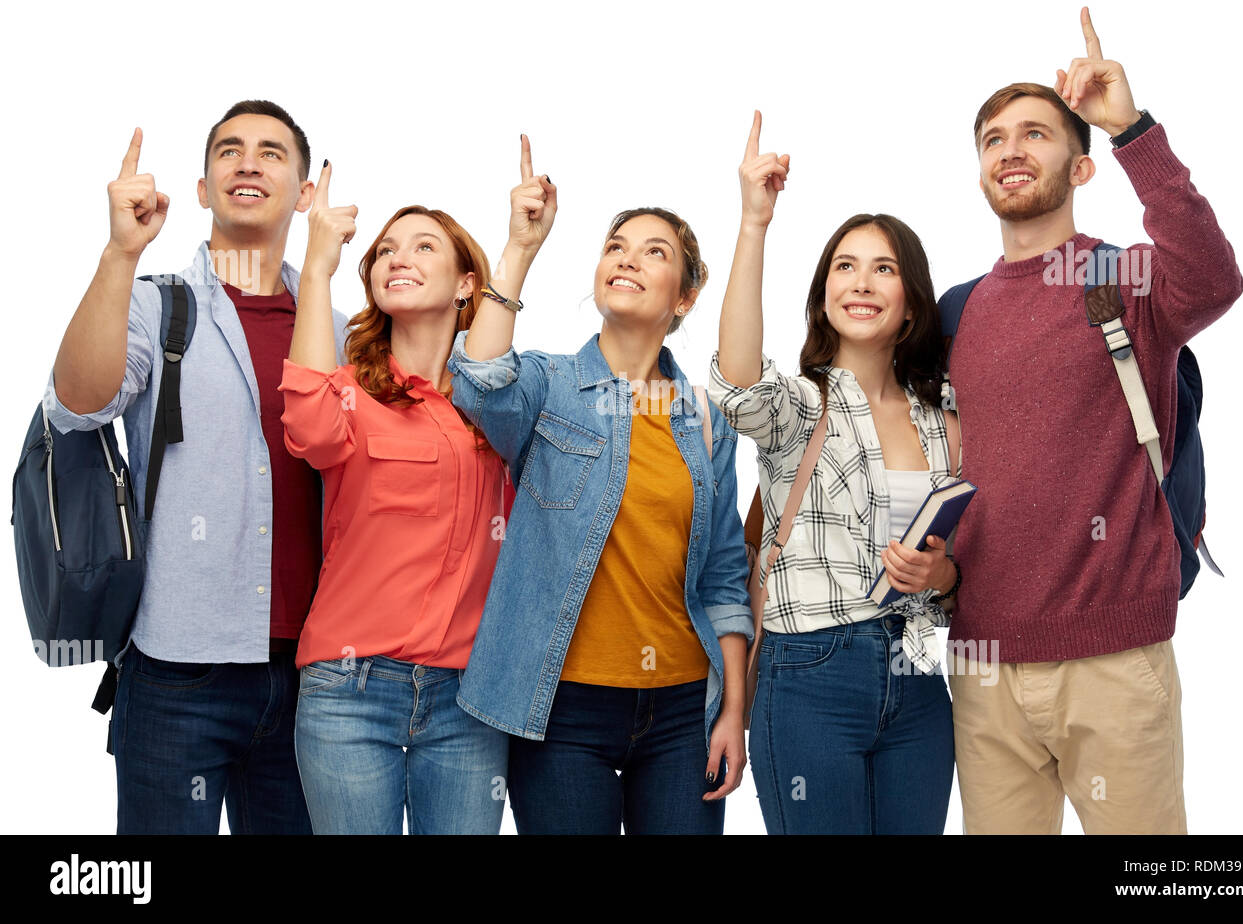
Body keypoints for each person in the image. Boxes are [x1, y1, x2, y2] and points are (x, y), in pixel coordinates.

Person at [943, 7, 1243, 834]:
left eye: (1035, 134)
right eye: (994, 139)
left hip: (1113, 658)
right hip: (982, 661)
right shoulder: (956, 312)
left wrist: (1131, 131)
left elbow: (1214, 280)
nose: (1011, 150)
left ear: (1080, 167)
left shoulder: (1126, 281)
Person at [44, 100, 350, 834]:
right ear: (205, 189)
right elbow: (76, 406)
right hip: (176, 671)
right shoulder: (156, 305)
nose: (249, 162)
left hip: (318, 676)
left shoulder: (342, 333)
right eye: (230, 150)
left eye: (272, 152)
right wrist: (119, 254)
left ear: (305, 193)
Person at [447, 136, 753, 835]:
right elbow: (478, 380)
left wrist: (732, 711)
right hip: (561, 708)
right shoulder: (548, 383)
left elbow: (724, 576)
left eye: (654, 252)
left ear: (686, 296)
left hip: (681, 710)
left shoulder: (704, 418)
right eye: (616, 246)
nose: (627, 259)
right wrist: (520, 247)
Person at [709, 112, 961, 834]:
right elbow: (737, 384)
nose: (862, 282)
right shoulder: (799, 404)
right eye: (844, 267)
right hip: (811, 676)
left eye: (884, 268)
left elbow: (958, 572)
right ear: (824, 294)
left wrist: (942, 576)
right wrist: (754, 224)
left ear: (910, 302)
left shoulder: (943, 418)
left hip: (919, 680)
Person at [278, 164, 511, 834]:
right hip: (348, 692)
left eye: (423, 246)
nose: (398, 258)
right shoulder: (351, 393)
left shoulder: (500, 405)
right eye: (385, 250)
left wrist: (520, 246)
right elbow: (307, 427)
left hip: (468, 699)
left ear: (467, 284)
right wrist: (318, 267)